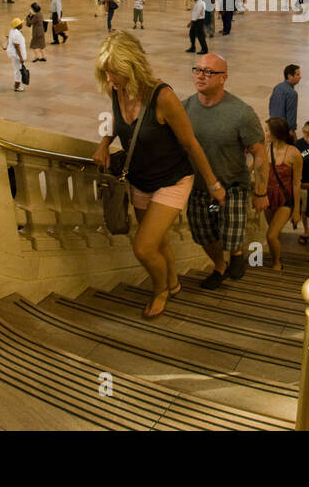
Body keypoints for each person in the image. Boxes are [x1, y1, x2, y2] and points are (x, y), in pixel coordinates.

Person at [93, 31, 221, 318]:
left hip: (173, 179)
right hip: (140, 178)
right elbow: (115, 120)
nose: (111, 80)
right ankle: (173, 282)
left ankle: (160, 289)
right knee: (158, 241)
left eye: (116, 73)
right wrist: (103, 143)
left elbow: (190, 142)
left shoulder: (163, 97)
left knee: (143, 246)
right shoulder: (117, 89)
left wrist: (213, 183)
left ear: (133, 66)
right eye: (107, 74)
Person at [183, 54, 268, 289]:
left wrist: (261, 191)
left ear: (224, 78)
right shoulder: (185, 108)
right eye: (197, 69)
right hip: (198, 188)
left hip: (232, 187)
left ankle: (237, 254)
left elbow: (260, 153)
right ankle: (220, 266)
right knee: (203, 235)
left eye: (208, 72)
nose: (200, 75)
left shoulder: (241, 113)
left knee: (231, 235)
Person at [262, 117, 303, 272]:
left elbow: (296, 183)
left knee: (271, 235)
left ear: (275, 134)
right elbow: (253, 169)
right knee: (274, 233)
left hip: (285, 199)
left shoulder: (294, 154)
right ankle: (276, 256)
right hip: (268, 197)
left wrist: (297, 211)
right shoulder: (265, 149)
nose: (264, 133)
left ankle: (277, 264)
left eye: (267, 131)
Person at [268, 63, 300, 130]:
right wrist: (291, 130)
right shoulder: (292, 94)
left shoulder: (277, 87)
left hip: (272, 125)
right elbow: (291, 114)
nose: (300, 77)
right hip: (283, 129)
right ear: (290, 76)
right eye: (297, 75)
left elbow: (270, 106)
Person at [5, 17, 27, 91]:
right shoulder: (16, 34)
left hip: (13, 54)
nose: (22, 24)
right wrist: (21, 57)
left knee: (17, 69)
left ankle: (17, 85)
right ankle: (17, 86)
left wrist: (7, 45)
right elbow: (17, 47)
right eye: (21, 24)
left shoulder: (13, 30)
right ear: (18, 25)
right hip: (16, 55)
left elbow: (10, 39)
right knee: (18, 70)